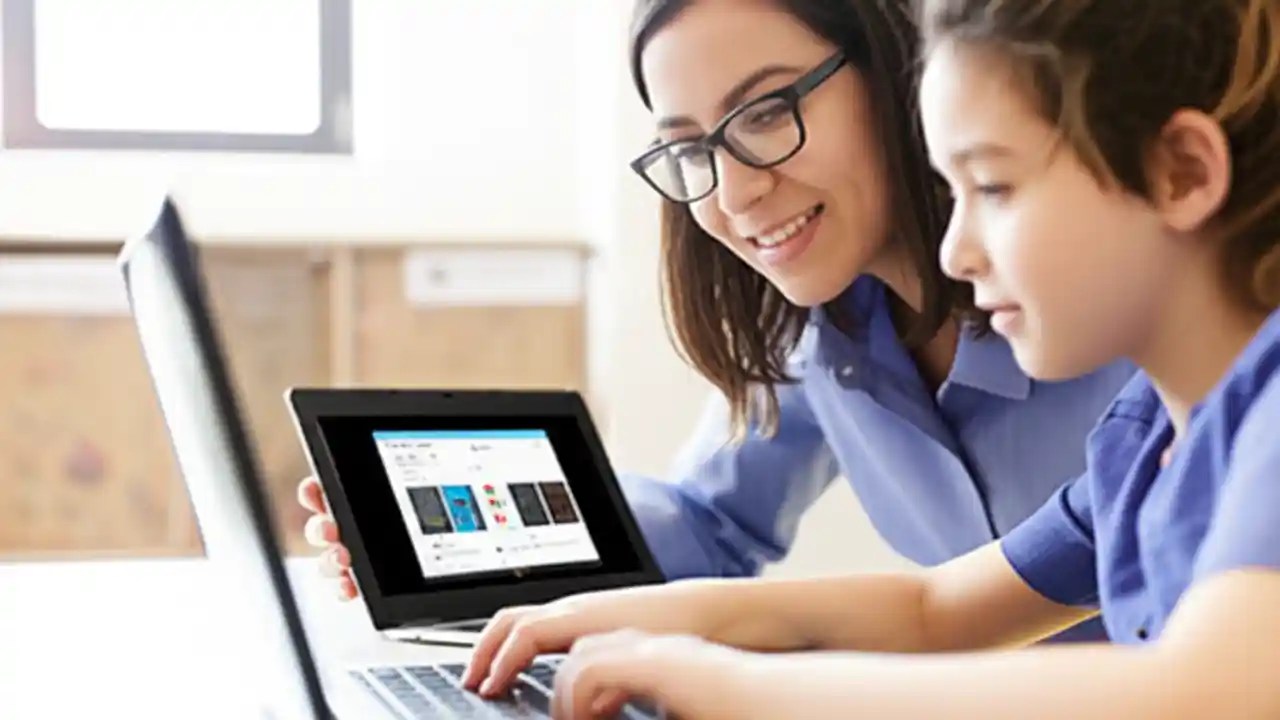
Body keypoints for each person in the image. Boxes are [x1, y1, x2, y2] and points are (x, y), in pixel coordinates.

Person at [454, 0, 1280, 717]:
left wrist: (723, 684)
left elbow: (1204, 695)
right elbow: (932, 607)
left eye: (991, 188)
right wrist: (641, 628)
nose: (956, 251)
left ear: (1181, 173)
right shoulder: (1139, 443)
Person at [299, 0, 1131, 632]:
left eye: (767, 113)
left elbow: (937, 615)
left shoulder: (1141, 324)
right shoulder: (827, 330)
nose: (733, 194)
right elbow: (709, 520)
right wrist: (447, 543)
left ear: (901, 72)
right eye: (692, 148)